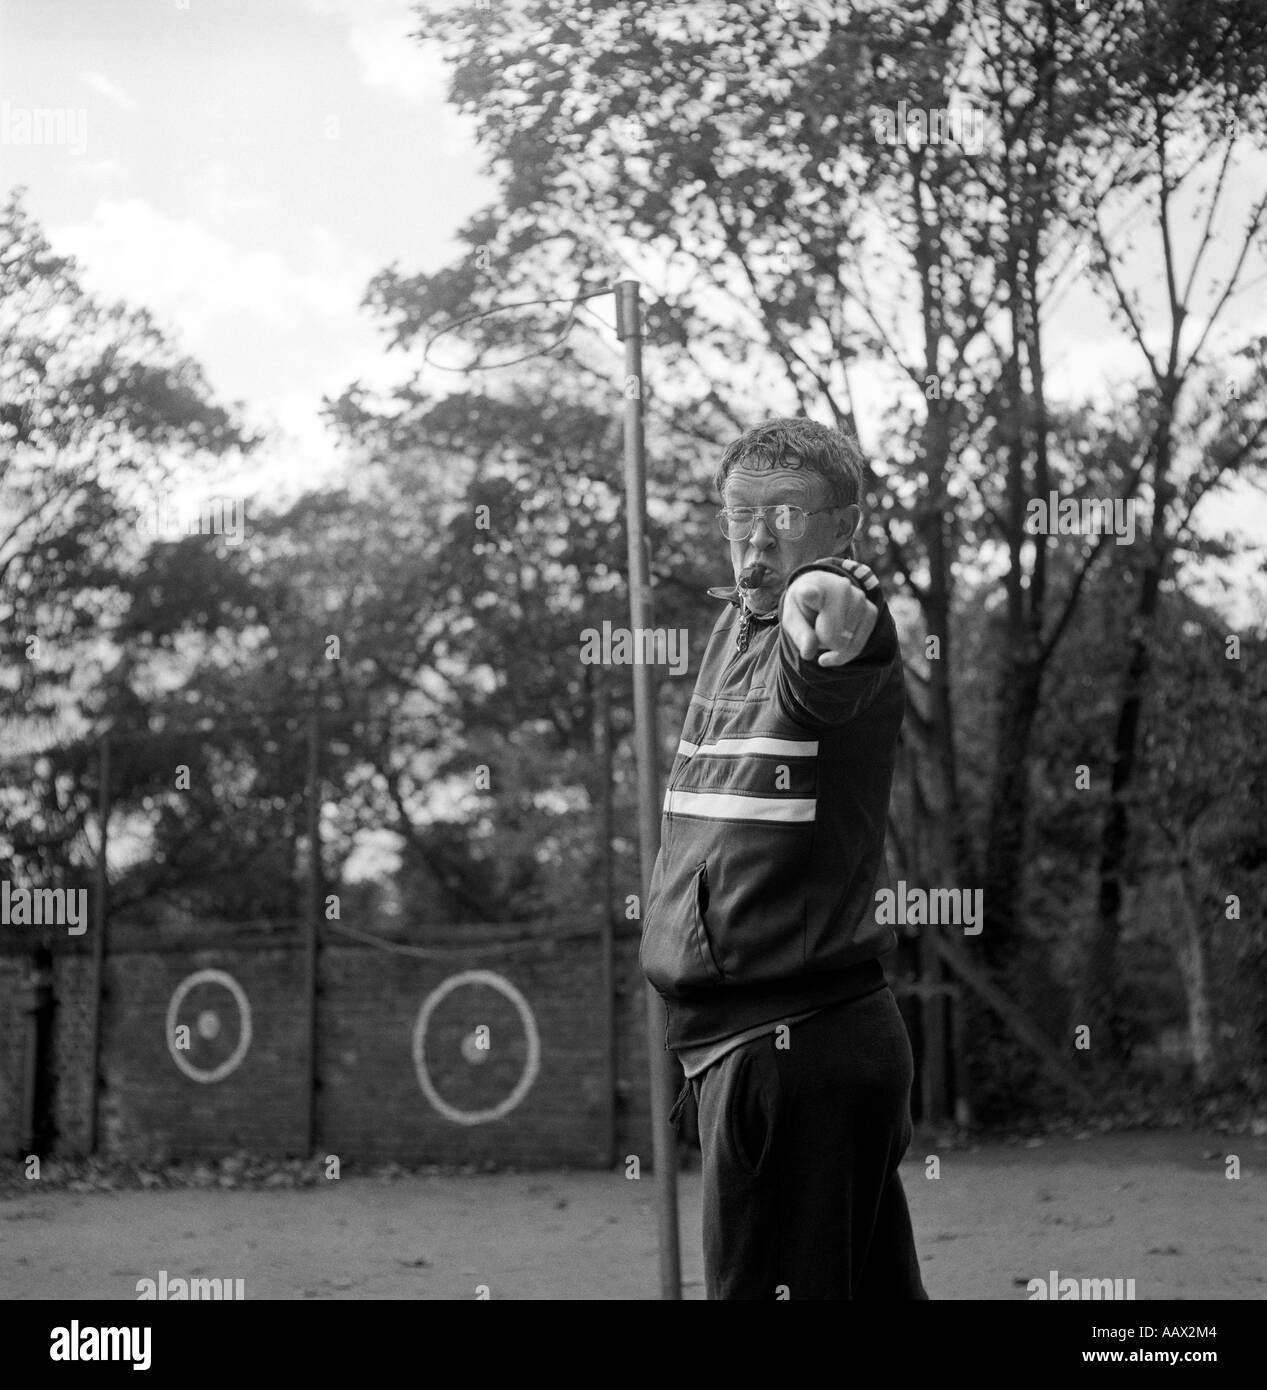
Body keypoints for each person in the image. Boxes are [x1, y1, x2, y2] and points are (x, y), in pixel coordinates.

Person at [639, 416, 927, 1300]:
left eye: (789, 515)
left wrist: (830, 592)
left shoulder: (827, 621)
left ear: (842, 528)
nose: (759, 539)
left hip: (791, 1050)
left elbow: (833, 632)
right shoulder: (733, 626)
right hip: (789, 1055)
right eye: (741, 515)